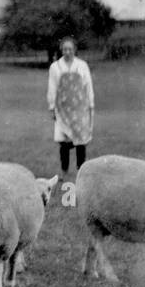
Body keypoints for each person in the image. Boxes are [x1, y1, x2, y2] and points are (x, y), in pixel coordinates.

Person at [47, 36, 94, 187]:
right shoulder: (55, 67)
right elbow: (52, 88)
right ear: (61, 50)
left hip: (80, 108)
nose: (68, 52)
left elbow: (88, 86)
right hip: (63, 109)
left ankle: (81, 172)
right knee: (64, 142)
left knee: (81, 142)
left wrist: (91, 104)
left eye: (70, 49)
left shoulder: (82, 65)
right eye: (65, 49)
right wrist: (52, 107)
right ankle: (64, 171)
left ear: (75, 50)